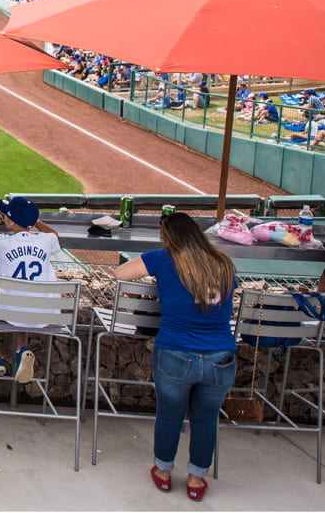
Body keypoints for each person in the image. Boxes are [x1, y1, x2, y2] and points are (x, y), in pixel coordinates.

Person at [113, 212, 238, 502]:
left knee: (170, 415)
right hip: (221, 356)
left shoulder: (163, 258)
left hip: (175, 351)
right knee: (206, 418)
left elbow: (120, 273)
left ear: (168, 237)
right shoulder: (223, 262)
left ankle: (163, 471)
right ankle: (196, 479)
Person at [0, 196, 60, 382]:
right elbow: (54, 234)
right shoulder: (46, 240)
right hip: (44, 315)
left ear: (10, 221)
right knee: (24, 297)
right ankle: (21, 349)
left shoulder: (2, 242)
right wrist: (35, 222)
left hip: (7, 312)